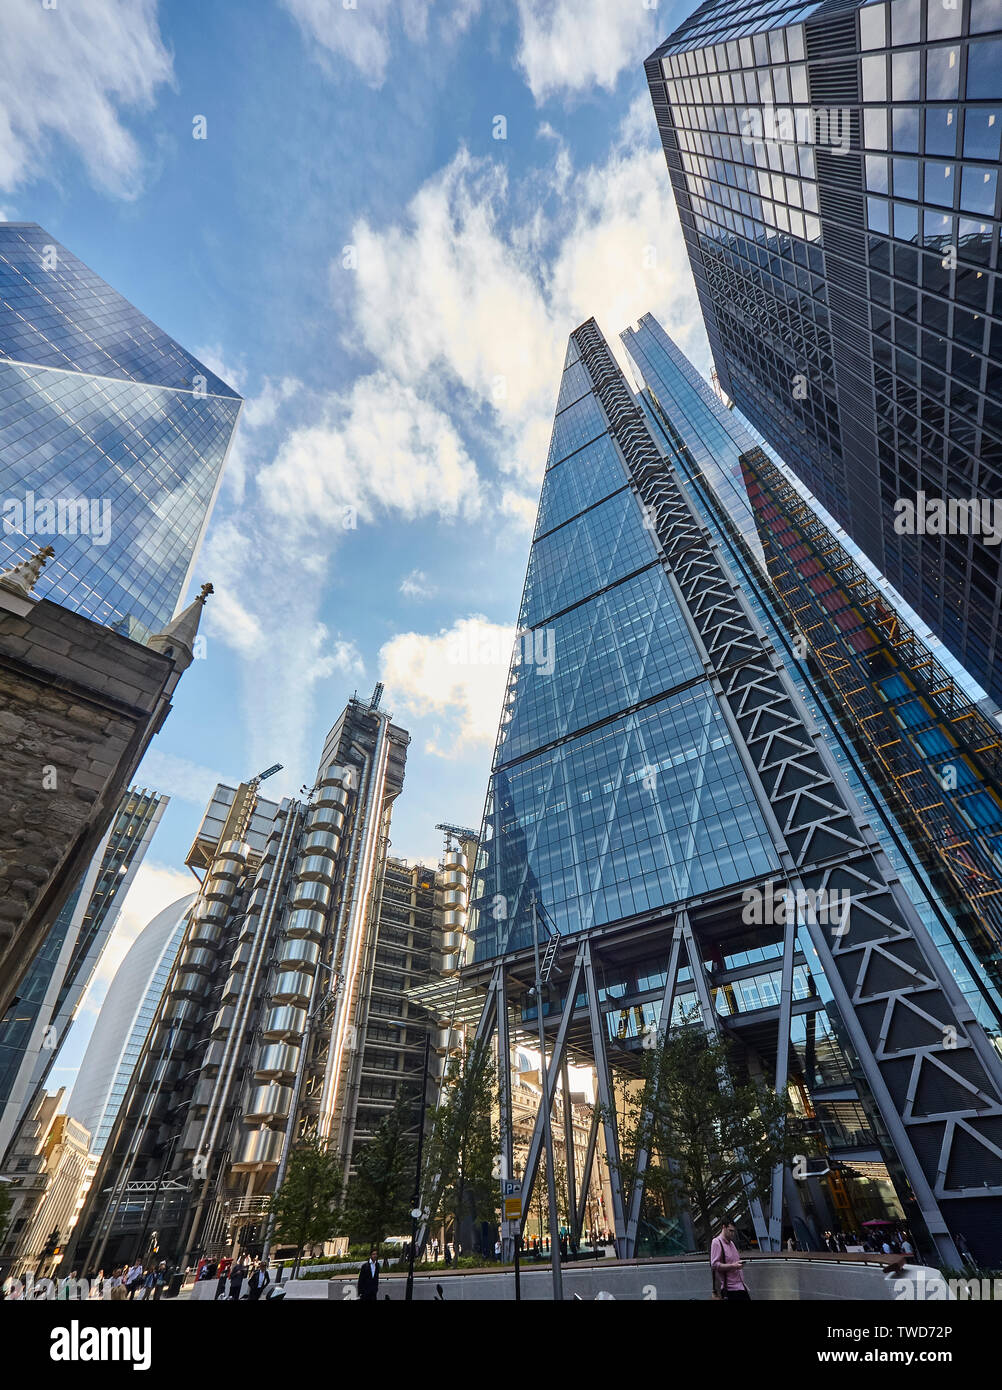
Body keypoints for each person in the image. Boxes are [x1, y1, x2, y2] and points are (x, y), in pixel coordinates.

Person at [710, 1220, 750, 1301]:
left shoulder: (731, 1243)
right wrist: (733, 1266)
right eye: (730, 1231)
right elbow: (714, 1265)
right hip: (729, 1290)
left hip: (740, 1287)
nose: (732, 1234)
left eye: (733, 1231)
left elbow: (733, 1261)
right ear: (723, 1227)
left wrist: (738, 1264)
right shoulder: (717, 1242)